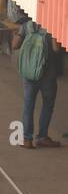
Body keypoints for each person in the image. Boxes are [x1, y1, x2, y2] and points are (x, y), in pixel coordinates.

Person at [11, 14, 63, 149]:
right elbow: (56, 49)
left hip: (28, 73)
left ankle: (27, 139)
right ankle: (42, 137)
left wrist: (18, 33)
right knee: (47, 105)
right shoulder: (51, 27)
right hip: (48, 75)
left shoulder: (27, 26)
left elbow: (15, 45)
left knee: (28, 105)